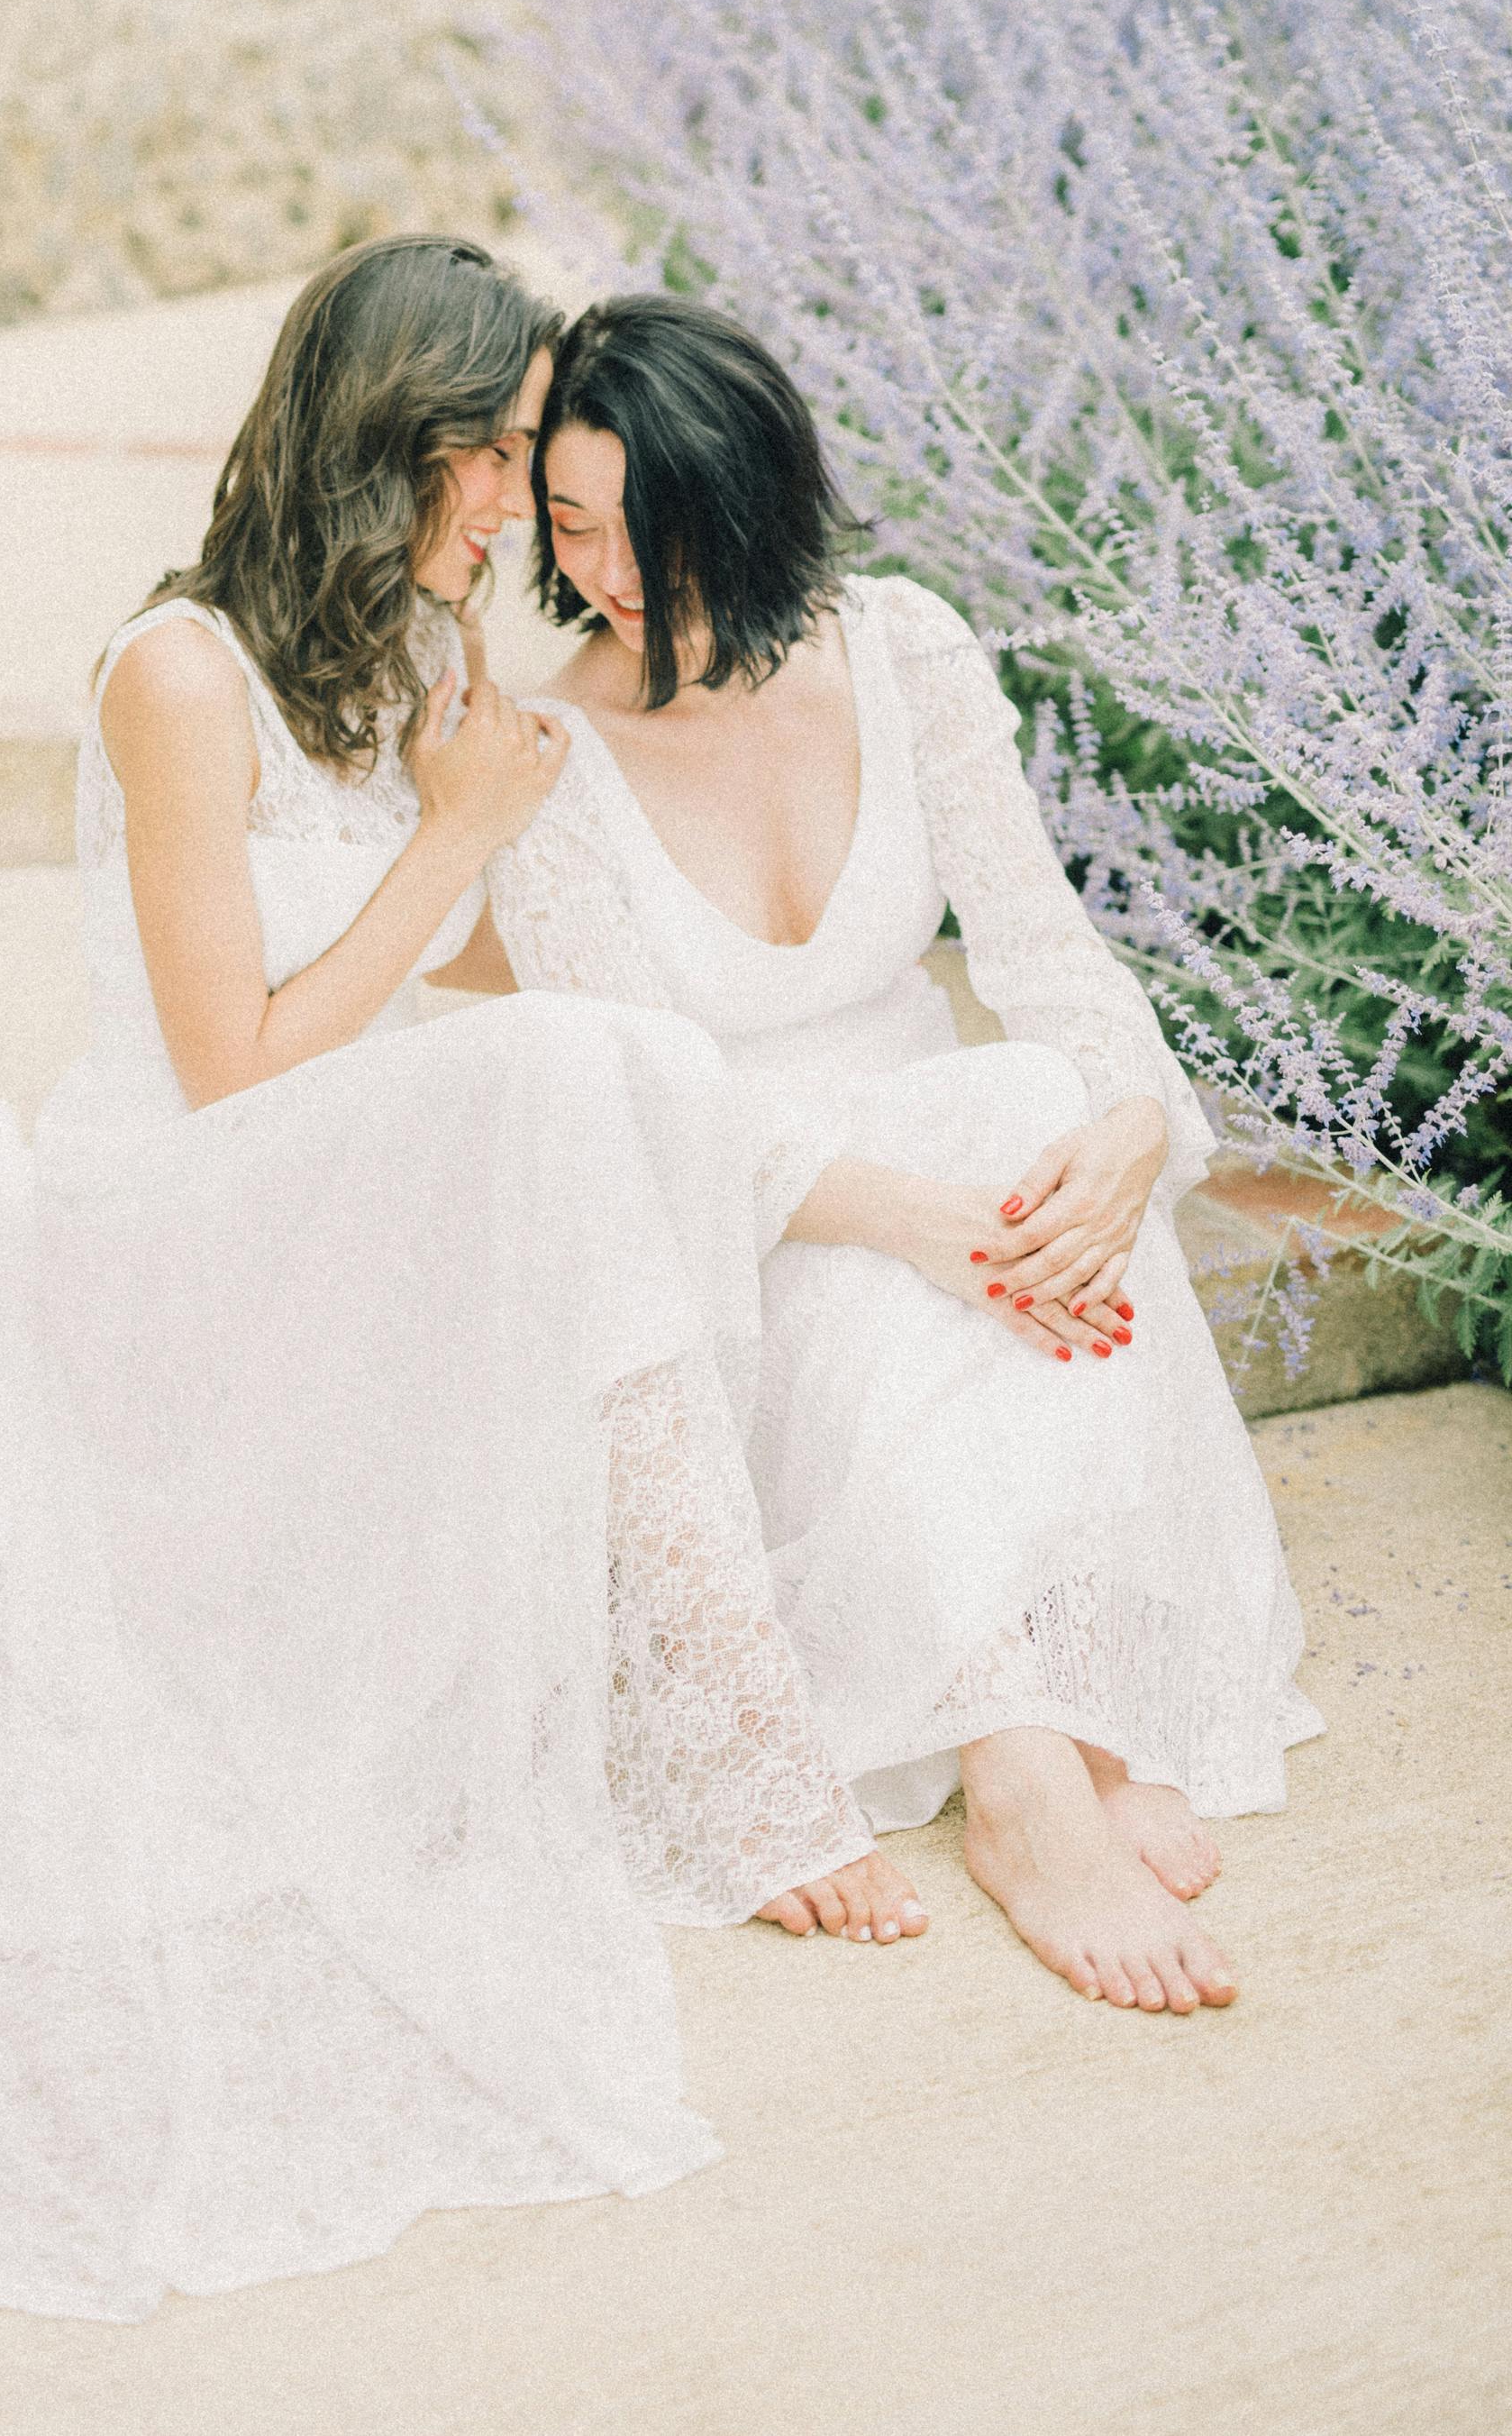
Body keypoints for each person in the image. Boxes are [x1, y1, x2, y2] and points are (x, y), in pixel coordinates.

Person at [0, 238, 899, 2323]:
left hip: (319, 1198)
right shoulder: (177, 672)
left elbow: (457, 968)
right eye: (484, 451)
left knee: (612, 1066)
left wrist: (541, 830)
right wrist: (455, 840)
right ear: (383, 434)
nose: (509, 498)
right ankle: (731, 1744)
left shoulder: (412, 647)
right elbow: (238, 1065)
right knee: (567, 1076)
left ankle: (700, 1695)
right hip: (177, 1219)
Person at [442, 290, 1321, 2018]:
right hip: (742, 1216)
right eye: (569, 528)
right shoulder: (549, 753)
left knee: (1027, 1110)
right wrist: (924, 1227)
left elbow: (1044, 948)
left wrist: (1134, 1124)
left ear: (749, 496)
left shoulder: (906, 650)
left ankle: (1086, 1697)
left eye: (653, 528)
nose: (610, 578)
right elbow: (661, 1103)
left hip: (947, 1169)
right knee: (922, 1223)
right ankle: (1024, 1777)